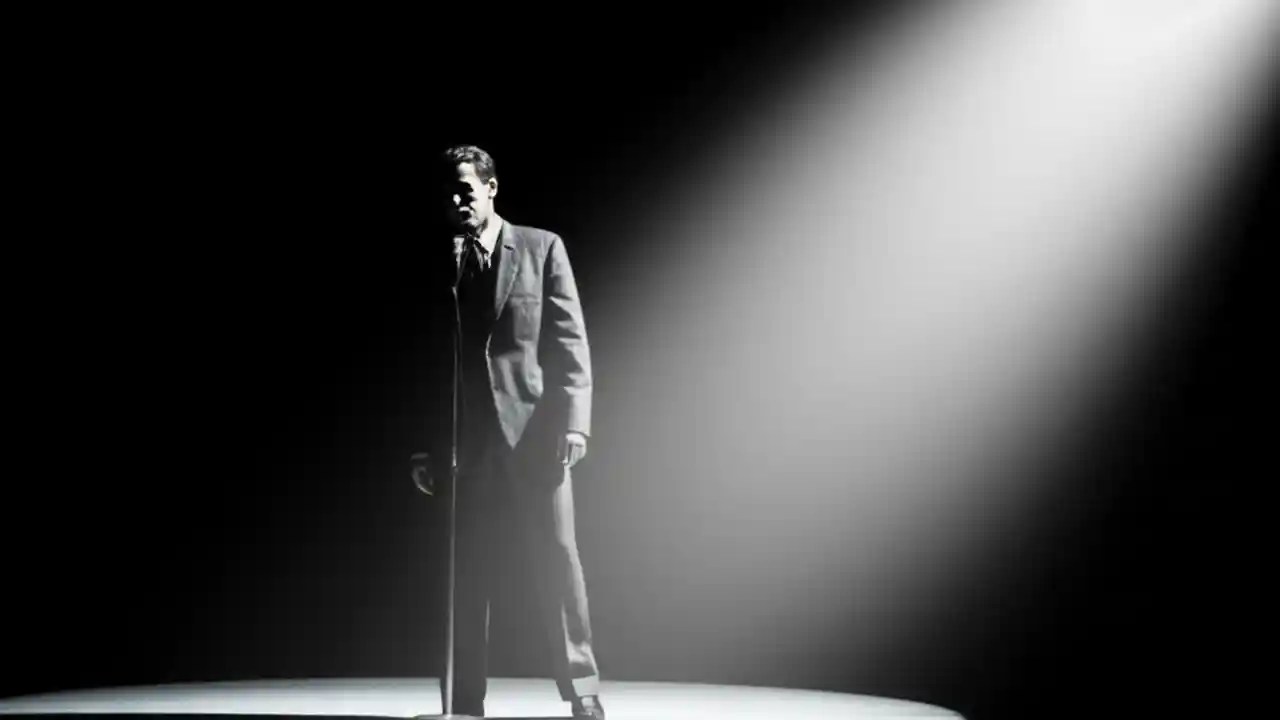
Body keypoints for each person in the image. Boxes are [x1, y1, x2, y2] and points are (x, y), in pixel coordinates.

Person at [412, 144, 604, 719]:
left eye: (466, 191)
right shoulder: (443, 259)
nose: (456, 202)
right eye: (449, 192)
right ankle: (463, 699)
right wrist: (425, 442)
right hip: (464, 446)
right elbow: (427, 360)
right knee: (466, 572)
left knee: (557, 561)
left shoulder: (542, 248)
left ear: (492, 188)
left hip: (534, 438)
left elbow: (569, 341)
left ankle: (583, 690)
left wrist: (574, 424)